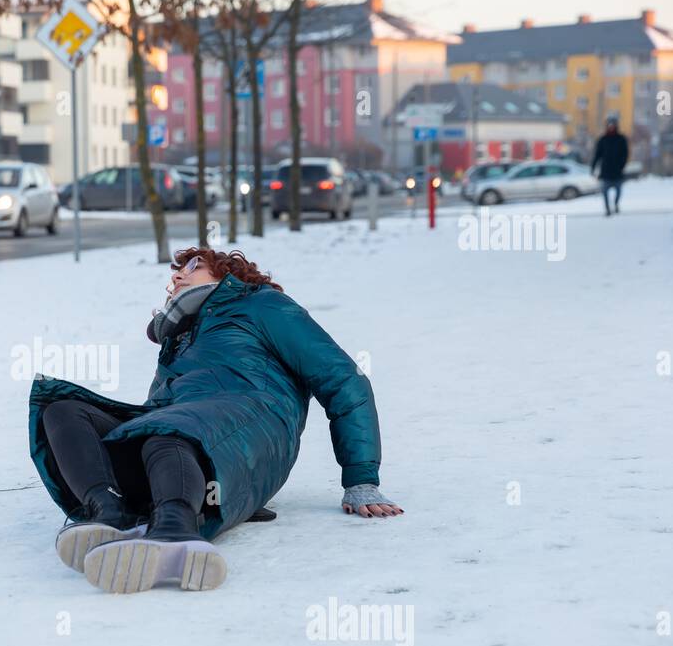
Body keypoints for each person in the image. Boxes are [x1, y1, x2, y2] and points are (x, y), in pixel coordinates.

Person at [29, 248, 403, 594]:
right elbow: (158, 409)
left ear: (227, 271)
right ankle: (109, 510)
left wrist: (361, 479)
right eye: (172, 275)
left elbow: (342, 379)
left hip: (255, 428)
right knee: (62, 408)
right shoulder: (178, 339)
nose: (177, 277)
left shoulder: (261, 305)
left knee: (168, 430)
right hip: (190, 438)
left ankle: (175, 529)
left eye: (191, 266)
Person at [591, 118, 629, 216]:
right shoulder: (603, 140)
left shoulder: (621, 139)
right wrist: (593, 167)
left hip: (617, 171)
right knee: (604, 192)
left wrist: (622, 165)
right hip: (606, 171)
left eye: (613, 125)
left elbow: (625, 154)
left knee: (618, 191)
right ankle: (607, 209)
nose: (611, 127)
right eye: (609, 125)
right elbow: (597, 155)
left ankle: (616, 204)